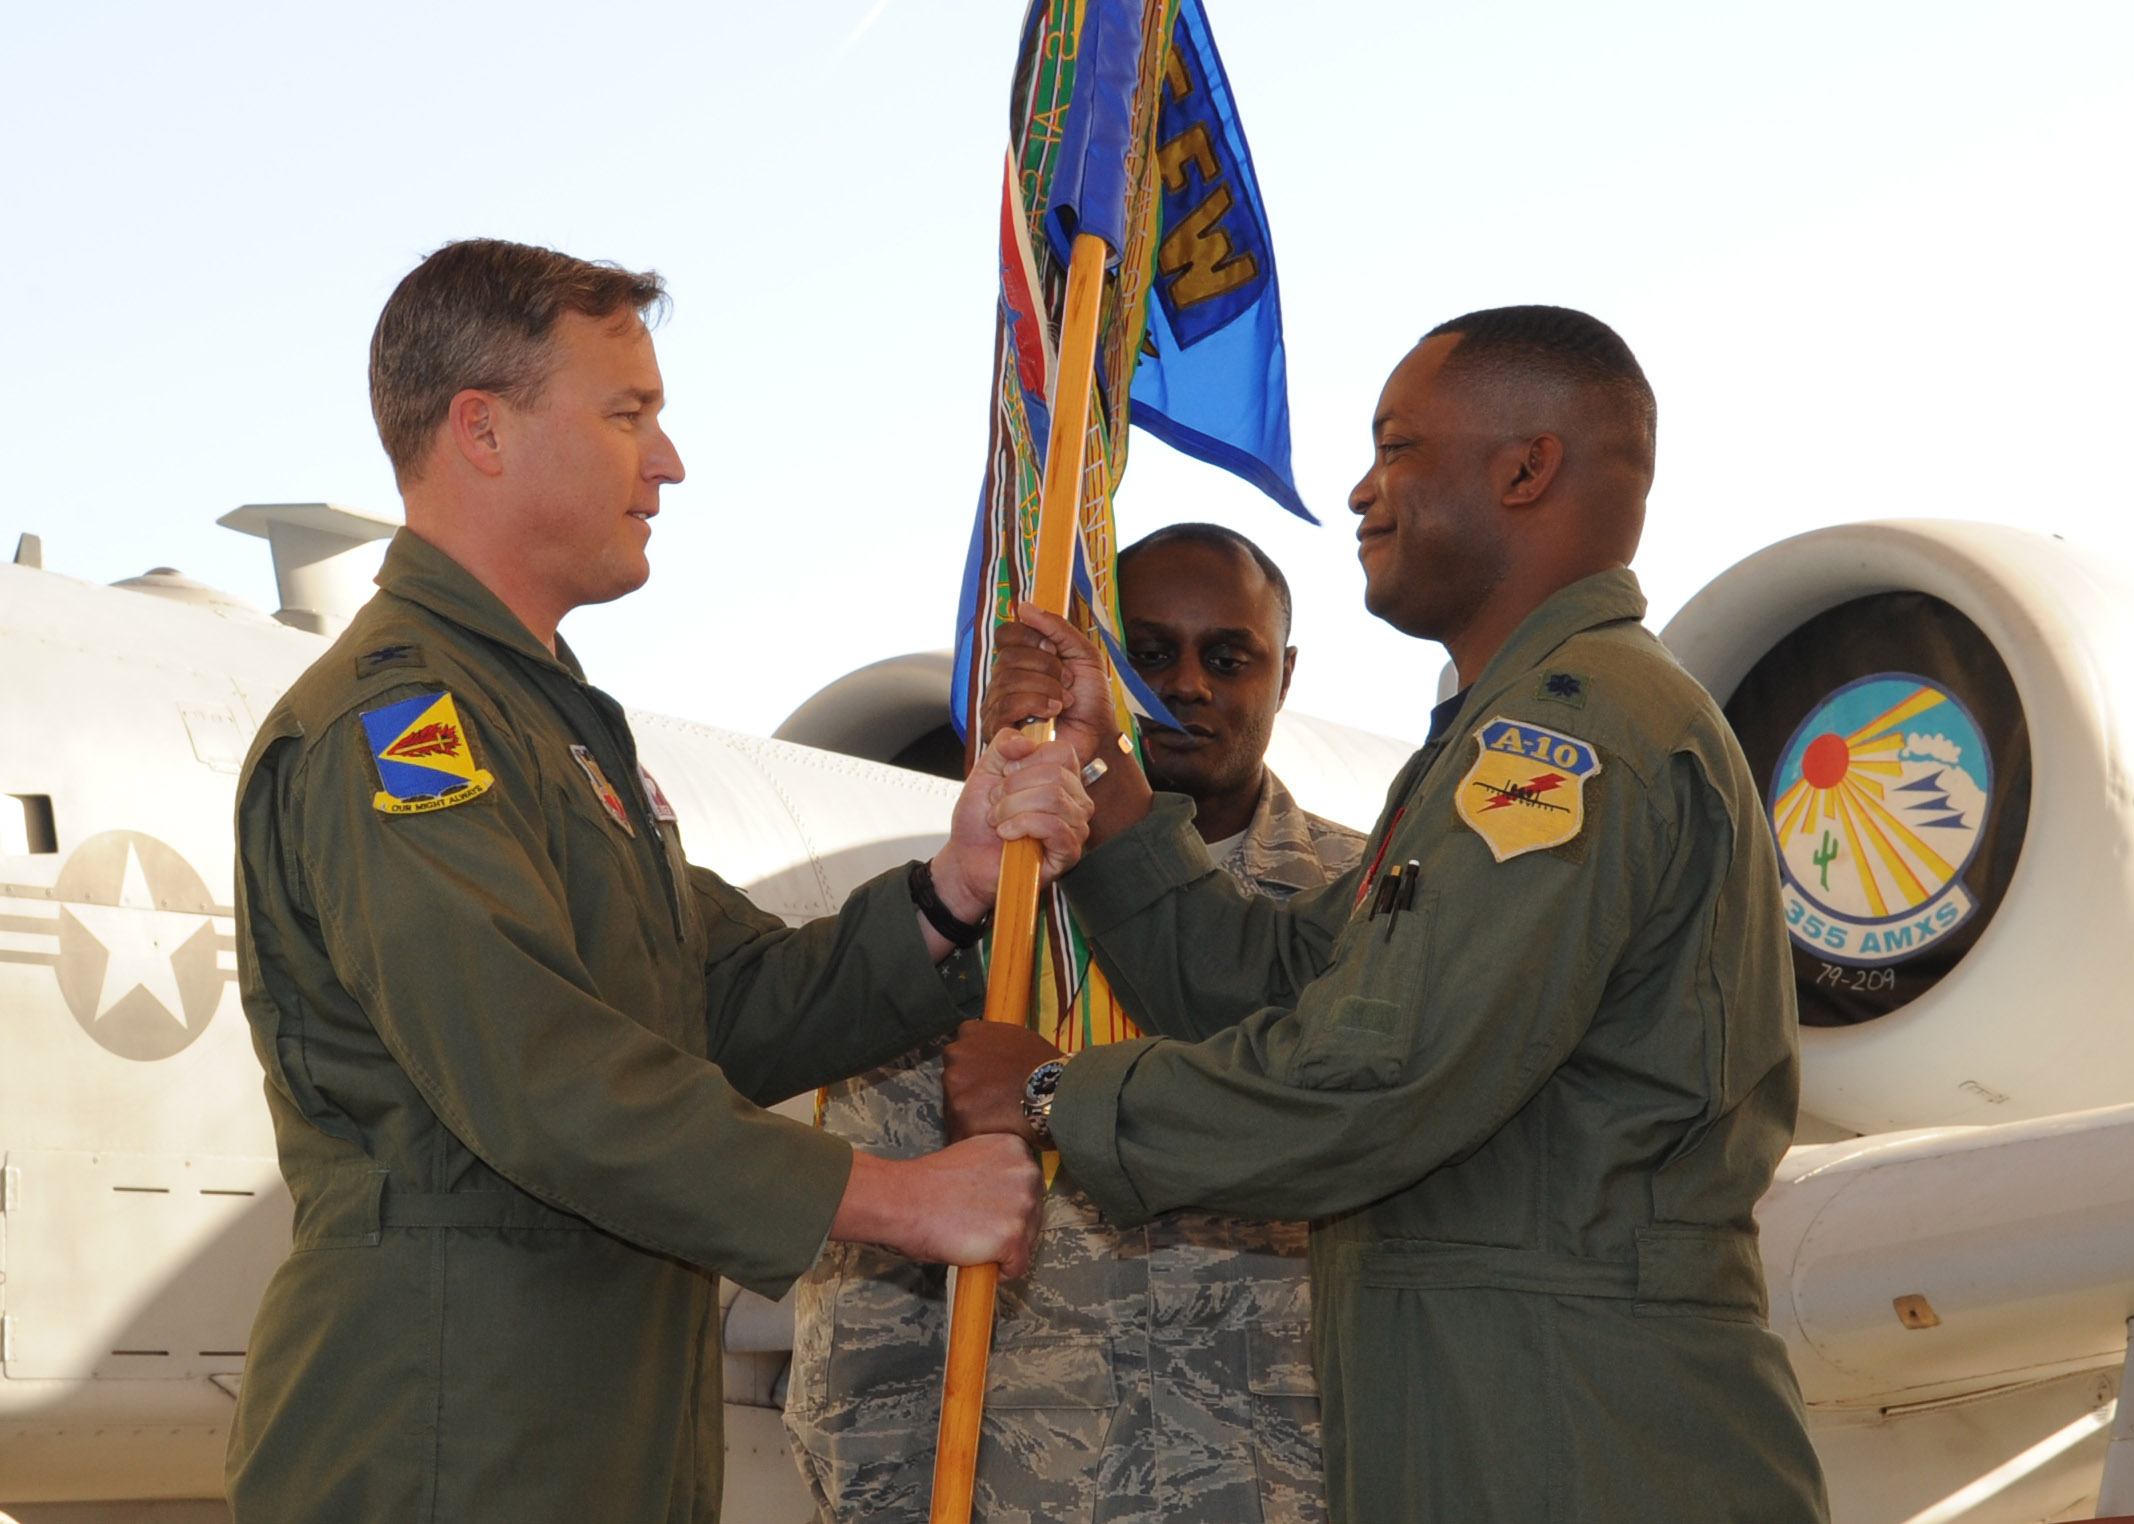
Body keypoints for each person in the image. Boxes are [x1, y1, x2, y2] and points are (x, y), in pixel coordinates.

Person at [224, 238, 1086, 1522]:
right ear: (482, 431)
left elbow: (722, 1003)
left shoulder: (552, 729)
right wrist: (894, 1202)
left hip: (576, 1430)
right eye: (628, 415)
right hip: (447, 1443)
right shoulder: (402, 729)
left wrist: (950, 888)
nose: (668, 461)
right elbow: (540, 1071)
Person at [942, 307, 1832, 1523]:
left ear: (1525, 470)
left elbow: (1379, 1079)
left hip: (1572, 1431)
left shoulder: (1568, 737)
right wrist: (1105, 775)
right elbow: (1276, 985)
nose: (1361, 491)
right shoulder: (1493, 740)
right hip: (1496, 1406)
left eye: (1397, 446)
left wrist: (1057, 1097)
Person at [785, 525, 1365, 1523]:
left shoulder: (1357, 912)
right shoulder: (982, 916)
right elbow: (865, 1309)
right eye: (1145, 654)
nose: (1184, 684)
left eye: (1228, 657)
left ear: (1284, 674)